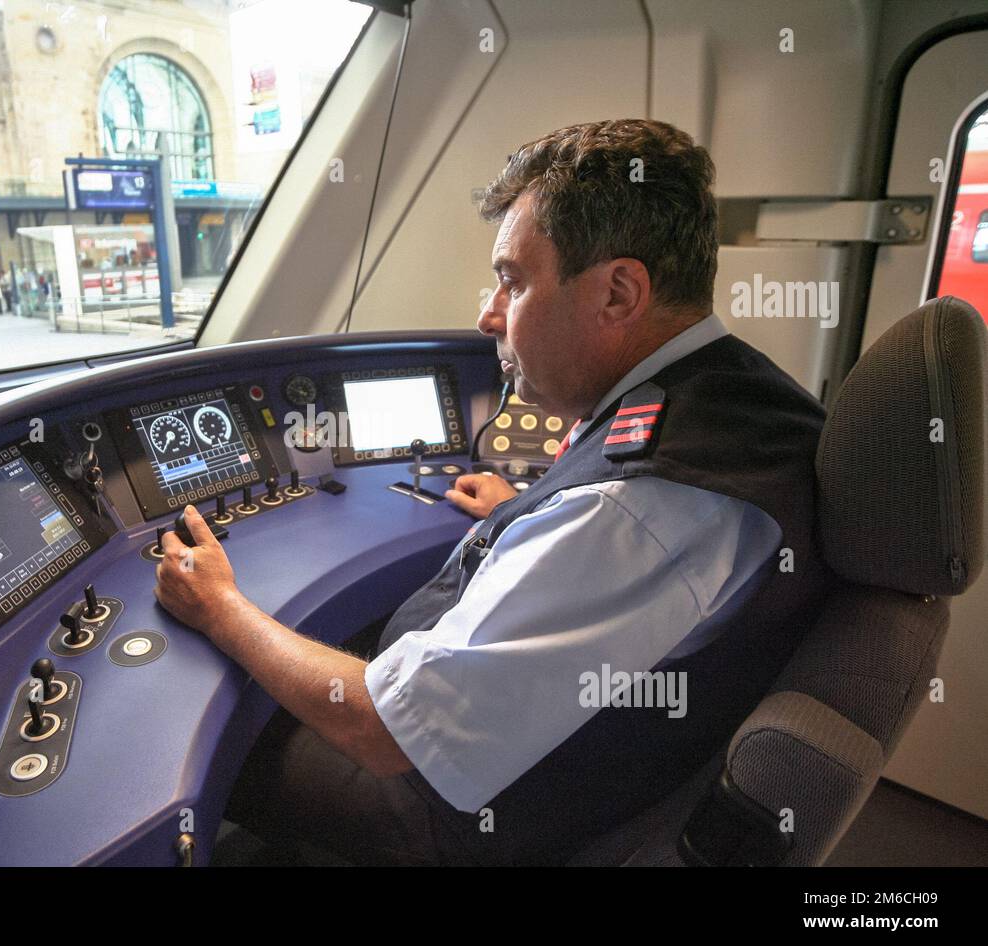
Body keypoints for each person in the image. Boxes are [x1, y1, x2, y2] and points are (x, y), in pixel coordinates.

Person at [153, 119, 832, 866]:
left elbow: (382, 730)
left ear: (619, 292)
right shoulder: (734, 398)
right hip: (601, 760)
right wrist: (529, 510)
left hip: (467, 815)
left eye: (512, 279)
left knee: (216, 734)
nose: (488, 314)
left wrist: (221, 607)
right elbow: (609, 527)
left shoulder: (636, 512)